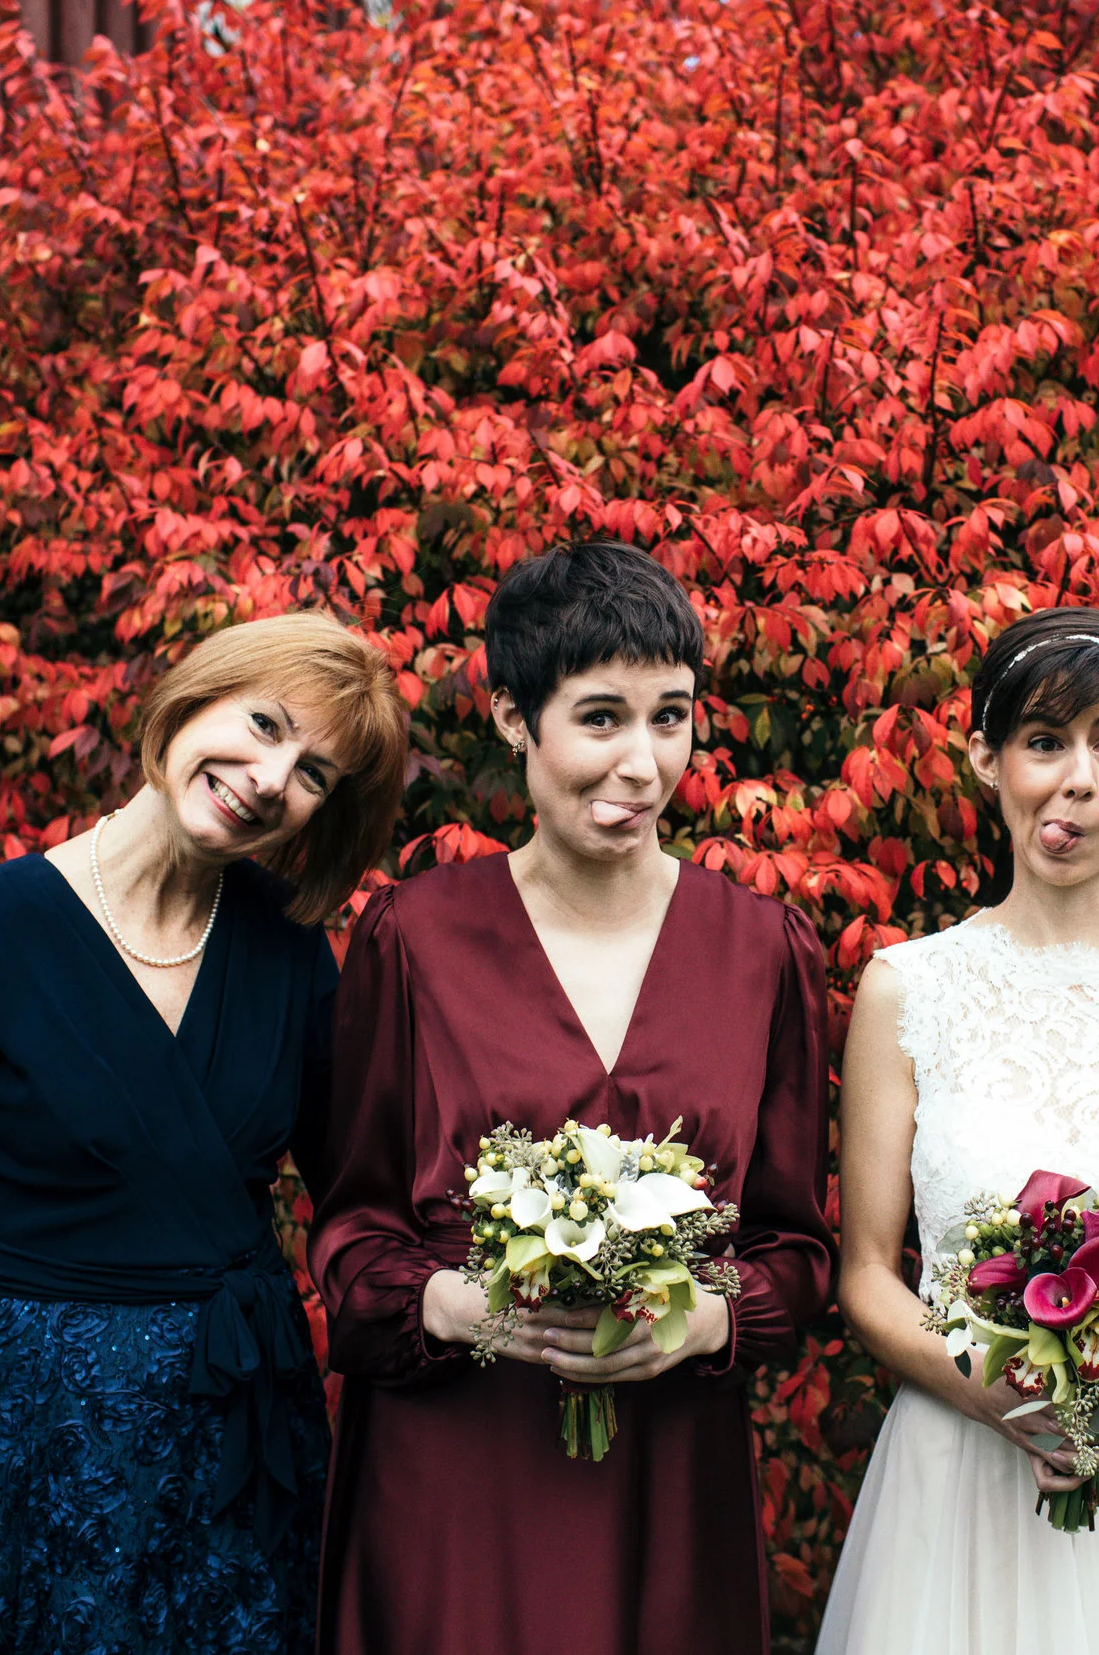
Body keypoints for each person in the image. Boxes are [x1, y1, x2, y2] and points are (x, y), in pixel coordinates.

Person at [0, 612, 409, 1655]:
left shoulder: (293, 952)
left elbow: (370, 1197)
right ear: (192, 697)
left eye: (312, 771)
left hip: (239, 1468)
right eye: (261, 723)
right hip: (23, 1465)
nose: (269, 775)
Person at [300, 539, 835, 1655]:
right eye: (601, 717)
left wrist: (705, 1315)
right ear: (512, 717)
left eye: (671, 716)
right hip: (457, 1475)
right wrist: (451, 1304)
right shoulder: (412, 940)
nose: (642, 762)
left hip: (668, 1477)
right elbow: (350, 1231)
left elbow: (796, 1250)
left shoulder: (765, 949)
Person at [817, 605, 1099, 1655]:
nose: (1075, 776)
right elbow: (865, 1272)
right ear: (987, 758)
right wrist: (993, 1395)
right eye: (1042, 739)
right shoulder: (907, 988)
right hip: (957, 1466)